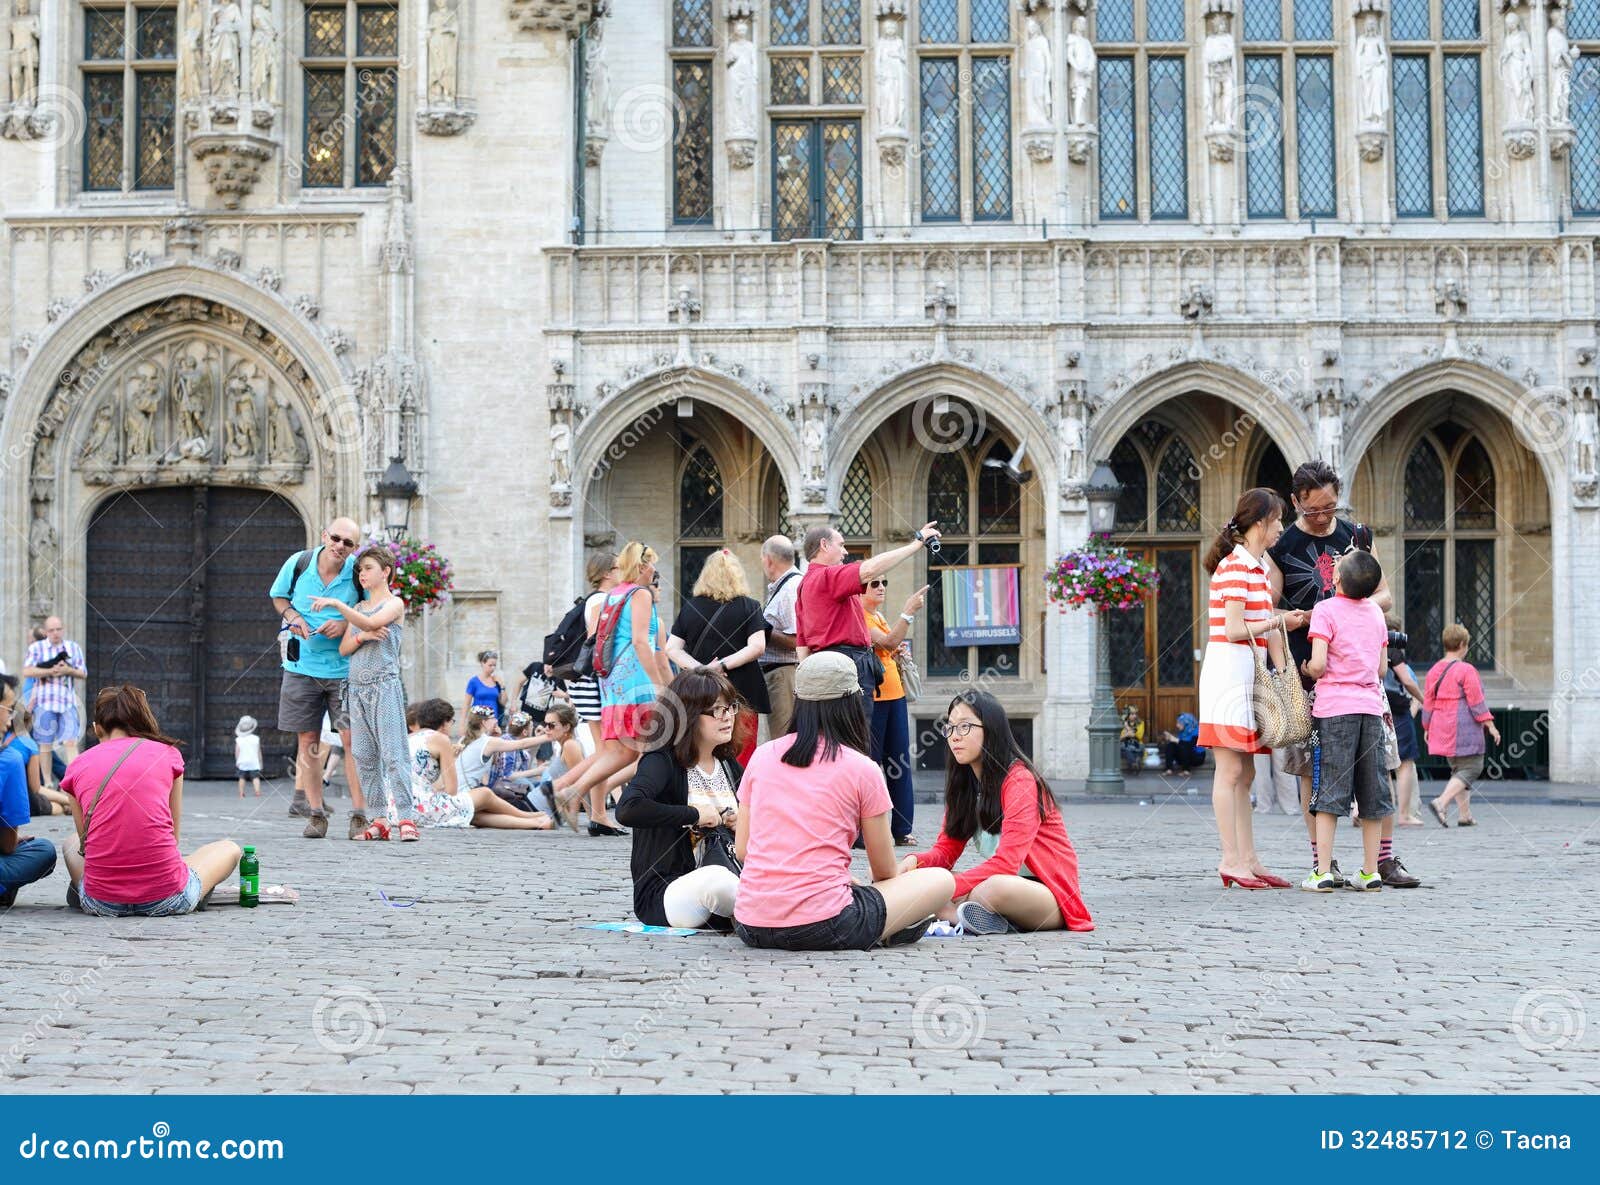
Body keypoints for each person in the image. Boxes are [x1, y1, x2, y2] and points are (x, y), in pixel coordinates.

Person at [732, 652, 955, 951]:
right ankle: (892, 925)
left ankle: (889, 924)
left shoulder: (761, 756)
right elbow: (884, 872)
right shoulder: (862, 768)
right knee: (941, 880)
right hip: (825, 924)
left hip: (751, 924)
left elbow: (745, 849)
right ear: (853, 704)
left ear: (799, 701)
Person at [1265, 460, 1393, 884]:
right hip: (1308, 673)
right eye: (1313, 510)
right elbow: (1268, 609)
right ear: (1296, 502)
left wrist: (1348, 611)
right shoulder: (1281, 547)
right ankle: (1324, 860)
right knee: (1311, 768)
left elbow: (1385, 593)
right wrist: (1304, 620)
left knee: (1378, 765)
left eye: (1330, 508)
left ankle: (1383, 861)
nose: (1322, 518)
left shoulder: (1356, 537)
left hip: (1356, 675)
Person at [901, 690, 1094, 935]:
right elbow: (946, 851)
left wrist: (942, 889)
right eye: (950, 728)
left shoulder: (1020, 780)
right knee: (924, 877)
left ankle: (952, 912)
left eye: (965, 727)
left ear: (991, 730)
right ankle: (972, 915)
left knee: (992, 889)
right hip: (999, 885)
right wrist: (913, 864)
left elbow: (1007, 864)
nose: (954, 737)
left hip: (1048, 896)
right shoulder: (965, 784)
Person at [1197, 488, 1307, 890]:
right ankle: (1231, 859)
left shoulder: (1256, 566)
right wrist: (1278, 623)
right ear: (1260, 522)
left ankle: (1248, 859)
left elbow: (1259, 624)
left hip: (1249, 674)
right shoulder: (1234, 567)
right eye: (1277, 519)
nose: (1281, 527)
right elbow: (1234, 629)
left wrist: (1284, 678)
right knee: (1230, 771)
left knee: (1243, 772)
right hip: (1229, 675)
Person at [60, 686, 242, 917]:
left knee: (70, 843)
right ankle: (180, 881)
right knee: (230, 848)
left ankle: (86, 889)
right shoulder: (168, 753)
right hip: (170, 897)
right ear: (143, 722)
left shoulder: (77, 765)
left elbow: (85, 843)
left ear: (97, 729)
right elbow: (173, 837)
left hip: (101, 902)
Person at [553, 542, 670, 831]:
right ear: (642, 566)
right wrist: (659, 685)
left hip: (612, 683)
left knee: (623, 751)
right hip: (636, 681)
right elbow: (642, 642)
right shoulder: (640, 594)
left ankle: (574, 791)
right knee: (643, 749)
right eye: (652, 564)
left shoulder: (614, 594)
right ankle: (635, 808)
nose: (655, 569)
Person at [615, 670, 744, 929]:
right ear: (690, 716)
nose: (728, 716)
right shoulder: (662, 761)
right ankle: (769, 912)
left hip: (732, 878)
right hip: (671, 893)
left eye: (730, 707)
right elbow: (628, 809)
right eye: (717, 710)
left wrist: (744, 824)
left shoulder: (728, 764)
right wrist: (694, 814)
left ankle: (764, 910)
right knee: (715, 881)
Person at [269, 517, 369, 839]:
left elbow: (373, 604)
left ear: (355, 547)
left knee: (354, 742)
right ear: (324, 535)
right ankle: (315, 812)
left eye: (348, 542)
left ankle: (360, 814)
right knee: (308, 742)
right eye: (336, 538)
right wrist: (293, 616)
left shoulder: (357, 571)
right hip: (302, 668)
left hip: (344, 670)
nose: (340, 546)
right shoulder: (298, 563)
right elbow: (279, 597)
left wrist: (346, 625)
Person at [314, 543, 420, 842]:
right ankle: (379, 819)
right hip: (357, 690)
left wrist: (338, 606)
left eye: (368, 568)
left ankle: (407, 818)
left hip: (383, 687)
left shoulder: (394, 604)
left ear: (386, 572)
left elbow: (375, 621)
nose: (362, 574)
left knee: (393, 754)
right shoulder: (359, 609)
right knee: (363, 755)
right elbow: (346, 647)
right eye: (360, 570)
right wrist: (363, 635)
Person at [1299, 550, 1391, 891]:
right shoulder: (1376, 614)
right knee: (1373, 790)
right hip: (1370, 708)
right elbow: (1381, 669)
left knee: (1329, 790)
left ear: (1336, 579)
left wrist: (1309, 669)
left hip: (1334, 708)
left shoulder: (1324, 610)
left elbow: (1320, 664)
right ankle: (1370, 871)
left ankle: (1322, 870)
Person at [794, 521, 942, 716]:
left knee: (834, 735)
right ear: (824, 545)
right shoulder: (827, 576)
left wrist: (804, 686)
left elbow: (802, 643)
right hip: (847, 664)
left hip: (823, 667)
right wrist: (917, 543)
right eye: (841, 545)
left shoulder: (803, 585)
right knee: (856, 737)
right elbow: (870, 569)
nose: (845, 552)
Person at [665, 548, 770, 768]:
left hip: (703, 693)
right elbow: (758, 646)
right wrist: (723, 665)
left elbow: (672, 649)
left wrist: (703, 669)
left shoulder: (691, 607)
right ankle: (739, 795)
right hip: (743, 691)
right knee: (743, 748)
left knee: (702, 746)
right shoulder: (749, 606)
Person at [406, 699, 554, 830]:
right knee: (485, 794)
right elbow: (451, 791)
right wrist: (547, 737)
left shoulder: (411, 738)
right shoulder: (444, 739)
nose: (496, 720)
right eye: (452, 721)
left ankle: (536, 822)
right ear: (444, 722)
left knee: (473, 815)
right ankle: (529, 817)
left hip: (402, 808)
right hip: (424, 806)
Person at [862, 575, 926, 844]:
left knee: (899, 762)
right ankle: (862, 832)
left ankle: (901, 829)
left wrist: (900, 653)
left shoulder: (880, 616)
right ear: (859, 590)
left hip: (895, 695)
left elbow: (891, 646)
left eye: (884, 582)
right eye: (874, 583)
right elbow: (886, 643)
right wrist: (908, 613)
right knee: (869, 766)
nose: (881, 588)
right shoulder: (860, 616)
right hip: (873, 699)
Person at [1423, 623, 1501, 828]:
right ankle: (1441, 802)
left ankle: (1464, 815)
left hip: (1441, 724)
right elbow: (1476, 701)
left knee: (1459, 769)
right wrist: (1490, 725)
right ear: (1462, 645)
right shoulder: (1466, 670)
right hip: (1462, 726)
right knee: (1473, 767)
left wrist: (1426, 727)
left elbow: (1428, 702)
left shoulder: (1433, 670)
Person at [0, 678, 58, 908]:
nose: (11, 717)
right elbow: (7, 846)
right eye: (9, 708)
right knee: (44, 850)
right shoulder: (9, 759)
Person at [22, 615, 87, 791]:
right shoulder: (37, 648)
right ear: (46, 631)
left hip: (67, 701)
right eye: (52, 630)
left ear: (63, 629)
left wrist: (68, 670)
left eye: (58, 629)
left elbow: (83, 673)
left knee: (71, 742)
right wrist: (50, 670)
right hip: (45, 702)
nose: (56, 633)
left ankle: (76, 783)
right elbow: (27, 671)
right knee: (45, 745)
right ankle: (49, 783)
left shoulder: (73, 648)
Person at [1383, 615, 1426, 829]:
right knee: (1404, 763)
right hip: (1397, 711)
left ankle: (1368, 811)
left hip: (1373, 708)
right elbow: (1407, 680)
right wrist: (1422, 698)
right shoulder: (1392, 650)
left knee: (1376, 763)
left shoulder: (1367, 646)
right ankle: (1403, 815)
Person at [758, 536, 803, 739]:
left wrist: (763, 629)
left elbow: (799, 641)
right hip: (780, 675)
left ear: (768, 560)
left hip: (784, 676)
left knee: (784, 741)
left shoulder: (791, 589)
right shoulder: (786, 586)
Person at [464, 650, 507, 726]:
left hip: (493, 721)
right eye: (490, 665)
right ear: (482, 663)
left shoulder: (496, 681)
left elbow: (503, 702)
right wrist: (462, 724)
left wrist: (502, 686)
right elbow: (466, 704)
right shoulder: (474, 681)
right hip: (477, 721)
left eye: (494, 665)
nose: (493, 668)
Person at [235, 715, 263, 799]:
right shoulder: (256, 738)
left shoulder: (239, 739)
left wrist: (237, 761)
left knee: (242, 778)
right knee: (255, 777)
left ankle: (241, 793)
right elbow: (258, 751)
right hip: (254, 761)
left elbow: (237, 751)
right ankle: (257, 792)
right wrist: (260, 761)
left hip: (243, 761)